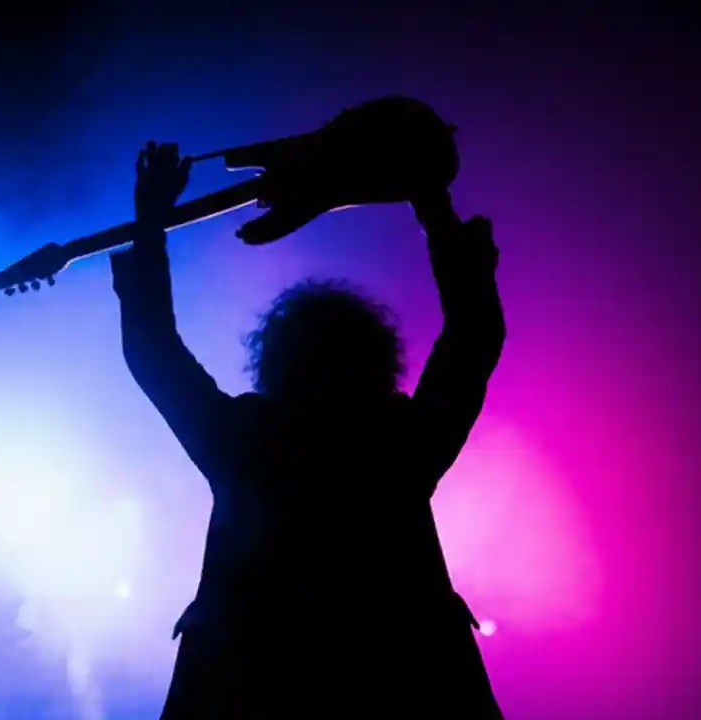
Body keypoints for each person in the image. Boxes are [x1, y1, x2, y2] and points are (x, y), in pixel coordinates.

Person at [113, 141, 505, 717]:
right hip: (409, 676)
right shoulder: (401, 441)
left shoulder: (243, 441)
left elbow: (153, 349)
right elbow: (472, 339)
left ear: (274, 361)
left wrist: (151, 222)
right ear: (376, 358)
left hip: (243, 682)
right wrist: (430, 200)